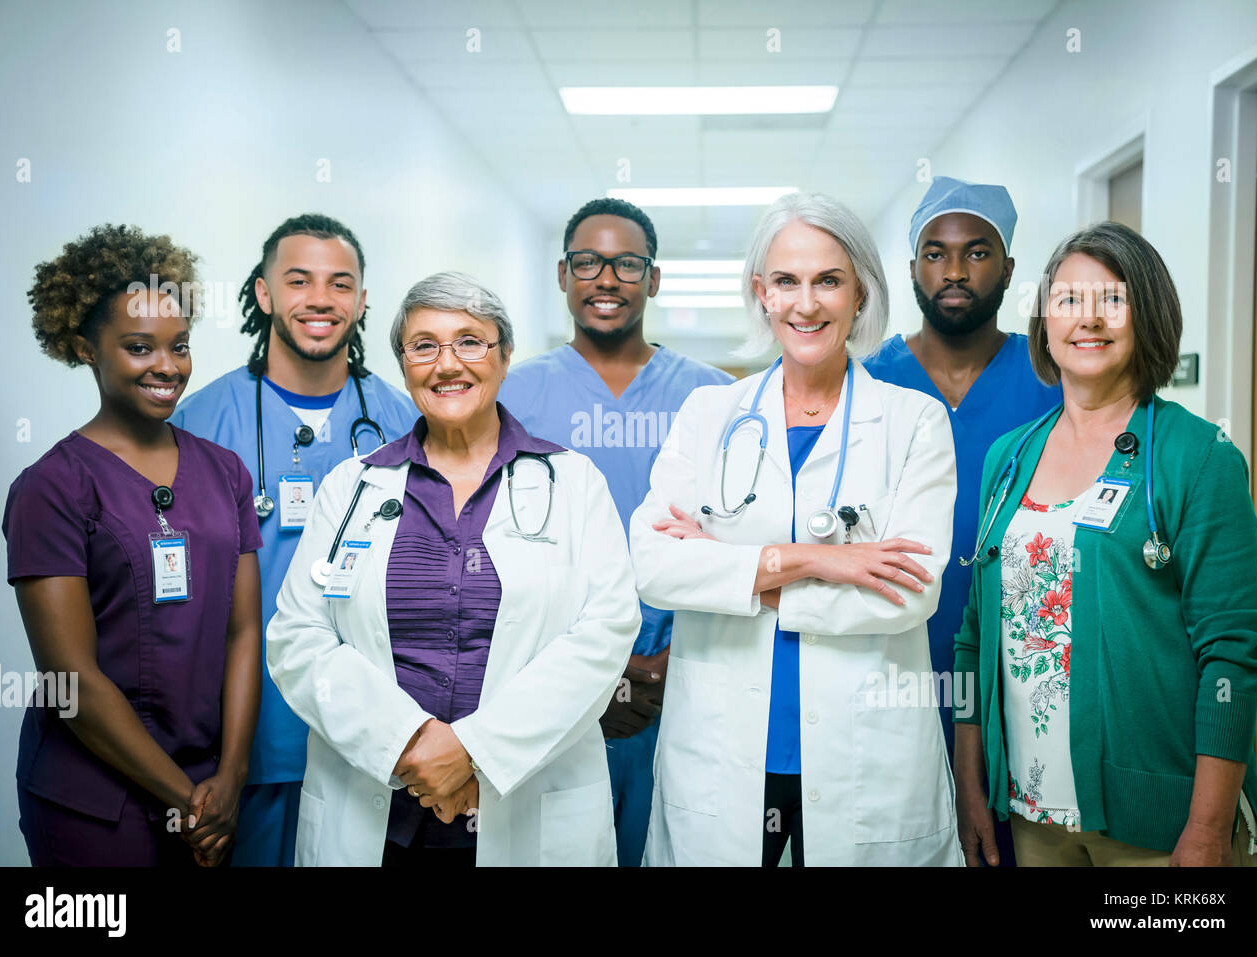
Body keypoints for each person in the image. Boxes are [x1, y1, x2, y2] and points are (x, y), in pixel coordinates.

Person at [631, 192, 961, 866]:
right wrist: (821, 560)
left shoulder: (913, 422)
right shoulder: (709, 412)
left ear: (860, 292)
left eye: (828, 280)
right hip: (723, 752)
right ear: (762, 293)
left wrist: (734, 570)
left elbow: (911, 589)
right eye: (786, 281)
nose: (806, 304)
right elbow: (654, 566)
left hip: (865, 754)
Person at [266, 272, 640, 866]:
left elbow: (604, 633)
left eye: (470, 341)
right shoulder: (353, 487)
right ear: (404, 363)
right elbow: (297, 636)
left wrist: (473, 752)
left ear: (505, 355)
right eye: (424, 345)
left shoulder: (575, 482)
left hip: (526, 803)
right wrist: (413, 746)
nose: (448, 364)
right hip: (381, 807)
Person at [953, 222, 1257, 866]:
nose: (1088, 318)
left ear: (1147, 312)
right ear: (1044, 321)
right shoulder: (1008, 459)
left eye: (1114, 298)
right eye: (1068, 300)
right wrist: (969, 784)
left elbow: (1231, 659)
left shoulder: (1196, 457)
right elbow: (974, 633)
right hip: (1032, 809)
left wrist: (1207, 830)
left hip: (1159, 822)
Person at [5, 224, 262, 866]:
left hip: (210, 786)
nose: (168, 367)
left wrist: (229, 778)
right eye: (139, 347)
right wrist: (189, 803)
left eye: (180, 346)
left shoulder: (226, 471)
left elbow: (244, 632)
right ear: (86, 348)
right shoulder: (52, 487)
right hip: (92, 803)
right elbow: (72, 680)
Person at [170, 214, 419, 866]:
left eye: (341, 284)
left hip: (370, 730)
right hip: (246, 741)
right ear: (263, 293)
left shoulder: (405, 422)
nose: (320, 299)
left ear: (363, 302)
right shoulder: (199, 422)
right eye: (299, 279)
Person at [499, 197, 732, 866]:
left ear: (654, 279)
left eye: (627, 263)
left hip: (684, 682)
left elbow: (738, 546)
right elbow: (496, 555)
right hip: (554, 691)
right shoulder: (512, 397)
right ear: (562, 275)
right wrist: (593, 675)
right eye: (588, 262)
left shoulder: (713, 398)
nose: (606, 278)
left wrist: (671, 661)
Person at [863, 176, 1060, 866]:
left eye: (977, 253)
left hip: (1024, 667)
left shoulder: (1051, 380)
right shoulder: (868, 384)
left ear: (1008, 269)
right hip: (897, 663)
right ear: (912, 267)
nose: (953, 270)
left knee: (1014, 843)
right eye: (934, 252)